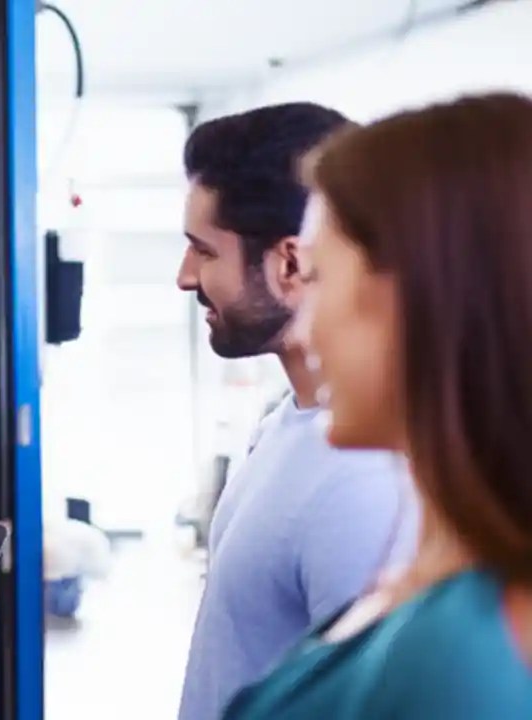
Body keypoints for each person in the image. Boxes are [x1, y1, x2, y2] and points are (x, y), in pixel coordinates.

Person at [224, 90, 532, 719]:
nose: (305, 333)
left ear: (423, 300)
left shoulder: (466, 659)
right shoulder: (438, 606)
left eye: (318, 280)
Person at [175, 103, 420, 720]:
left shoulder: (367, 480)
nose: (184, 278)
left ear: (288, 263)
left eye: (202, 252)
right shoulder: (286, 421)